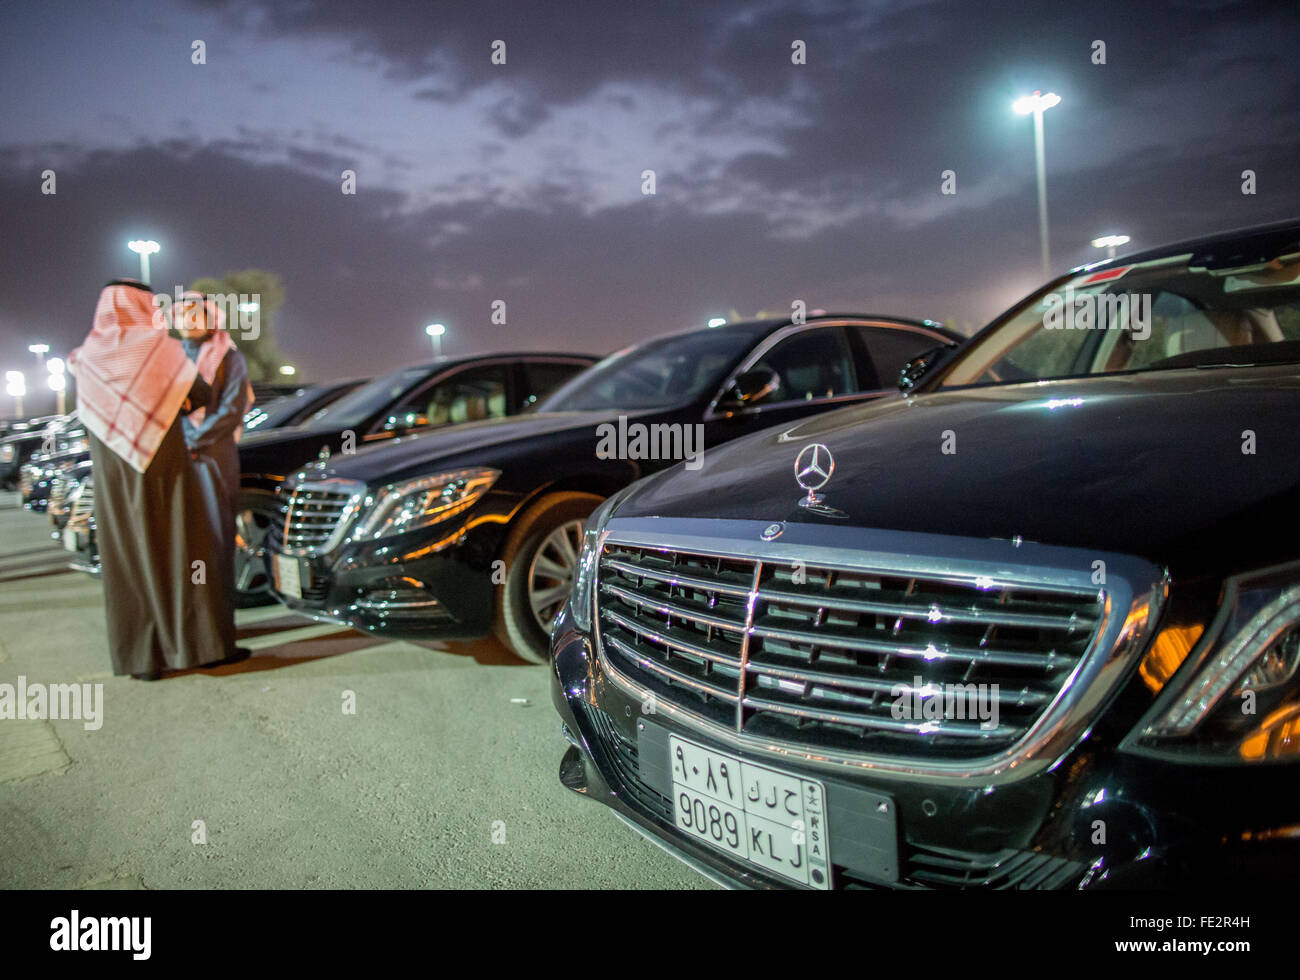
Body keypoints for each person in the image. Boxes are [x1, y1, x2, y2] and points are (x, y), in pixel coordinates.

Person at [68, 280, 239, 679]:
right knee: (184, 550)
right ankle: (201, 648)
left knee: (128, 557)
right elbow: (199, 395)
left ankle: (143, 659)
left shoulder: (85, 356)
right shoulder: (160, 347)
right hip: (165, 466)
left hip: (115, 476)